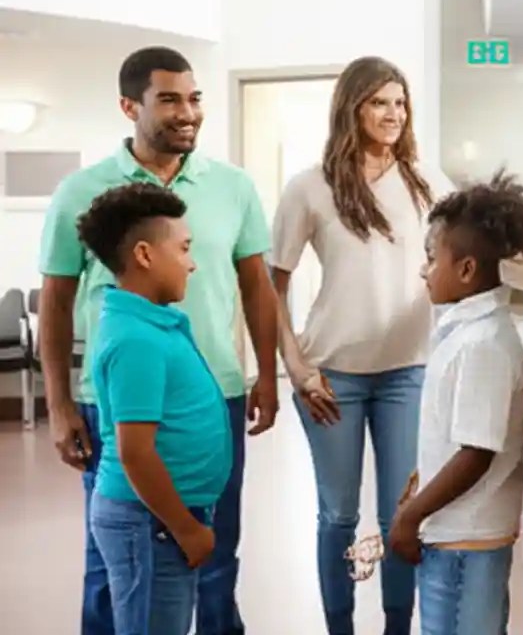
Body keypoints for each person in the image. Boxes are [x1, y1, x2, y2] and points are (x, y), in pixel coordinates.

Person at [39, 46, 278, 635]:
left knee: (214, 552)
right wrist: (60, 401)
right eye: (169, 99)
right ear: (129, 106)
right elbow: (56, 301)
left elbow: (258, 288)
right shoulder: (80, 192)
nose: (187, 112)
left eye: (194, 98)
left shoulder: (234, 187)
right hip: (115, 403)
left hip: (213, 393)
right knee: (115, 560)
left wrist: (268, 375)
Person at [269, 56, 442, 635]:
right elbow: (274, 284)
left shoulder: (424, 181)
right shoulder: (310, 188)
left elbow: (481, 227)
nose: (393, 114)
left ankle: (397, 626)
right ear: (352, 108)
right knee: (338, 515)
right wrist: (295, 368)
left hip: (408, 373)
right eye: (379, 102)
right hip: (332, 376)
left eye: (400, 102)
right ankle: (339, 628)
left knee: (402, 514)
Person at [388, 170, 523, 635]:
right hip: (455, 532)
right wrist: (421, 483)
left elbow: (477, 452)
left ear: (466, 270)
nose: (423, 269)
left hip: (463, 541)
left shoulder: (483, 344)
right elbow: (455, 430)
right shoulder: (467, 333)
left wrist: (409, 517)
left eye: (430, 257)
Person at [78, 183, 228, 635]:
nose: (193, 262)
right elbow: (136, 453)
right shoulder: (135, 339)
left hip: (161, 520)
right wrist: (184, 528)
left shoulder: (148, 323)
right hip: (152, 524)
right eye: (184, 248)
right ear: (145, 255)